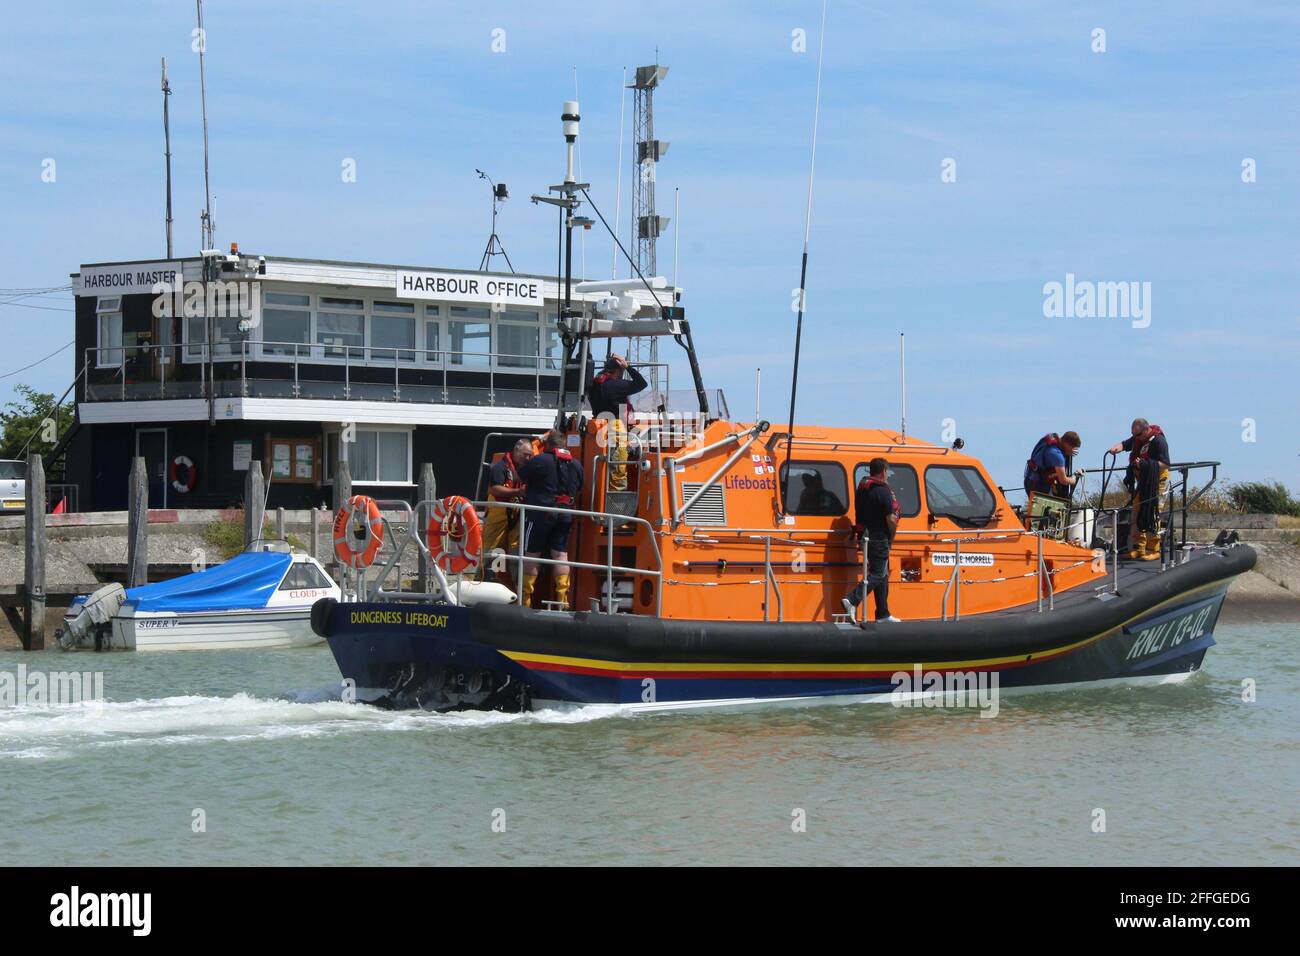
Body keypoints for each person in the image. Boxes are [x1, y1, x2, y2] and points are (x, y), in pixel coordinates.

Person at [518, 431, 585, 608]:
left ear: (547, 445)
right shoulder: (576, 465)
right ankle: (562, 600)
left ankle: (524, 601)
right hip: (566, 514)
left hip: (540, 513)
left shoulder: (540, 460)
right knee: (561, 555)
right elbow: (580, 486)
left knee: (532, 553)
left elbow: (521, 474)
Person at [846, 458, 901, 623]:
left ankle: (882, 613)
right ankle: (852, 599)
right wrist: (892, 536)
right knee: (878, 574)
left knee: (882, 574)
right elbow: (891, 519)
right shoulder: (882, 491)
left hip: (866, 537)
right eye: (887, 472)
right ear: (884, 471)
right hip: (879, 538)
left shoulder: (863, 489)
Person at [1109, 418, 1170, 560]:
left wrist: (1144, 464)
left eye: (1137, 435)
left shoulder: (1158, 441)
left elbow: (1165, 463)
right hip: (1142, 482)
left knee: (1152, 513)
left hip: (1156, 481)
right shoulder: (1138, 439)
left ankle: (1153, 549)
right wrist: (1116, 449)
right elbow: (1125, 444)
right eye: (1133, 435)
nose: (1135, 438)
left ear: (1146, 430)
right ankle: (1138, 547)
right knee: (1137, 513)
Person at [588, 353, 647, 492]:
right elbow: (642, 384)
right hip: (615, 430)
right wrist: (628, 367)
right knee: (618, 469)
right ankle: (617, 505)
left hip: (597, 430)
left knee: (600, 470)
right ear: (619, 371)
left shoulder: (594, 385)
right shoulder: (614, 386)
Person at [480, 438, 532, 583]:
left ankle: (515, 591)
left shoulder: (525, 470)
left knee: (516, 556)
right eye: (525, 454)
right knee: (491, 551)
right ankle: (480, 583)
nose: (527, 458)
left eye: (530, 455)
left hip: (515, 518)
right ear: (516, 451)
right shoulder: (500, 467)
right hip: (498, 515)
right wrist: (518, 492)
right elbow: (494, 488)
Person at [1023, 430, 1083, 498]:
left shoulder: (1051, 439)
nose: (1072, 450)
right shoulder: (1057, 455)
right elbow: (1063, 480)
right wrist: (1073, 480)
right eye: (1072, 448)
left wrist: (1067, 451)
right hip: (1038, 485)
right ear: (1067, 444)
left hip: (1030, 479)